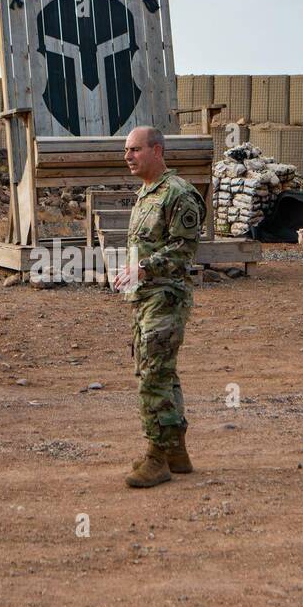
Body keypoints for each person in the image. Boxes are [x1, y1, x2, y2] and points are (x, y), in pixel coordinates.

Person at [112, 126, 205, 488]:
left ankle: (156, 457)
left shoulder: (178, 194)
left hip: (166, 296)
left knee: (153, 374)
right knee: (162, 371)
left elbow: (184, 250)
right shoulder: (147, 193)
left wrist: (144, 268)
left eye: (135, 149)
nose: (128, 156)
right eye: (126, 150)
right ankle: (176, 450)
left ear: (157, 150)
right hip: (145, 296)